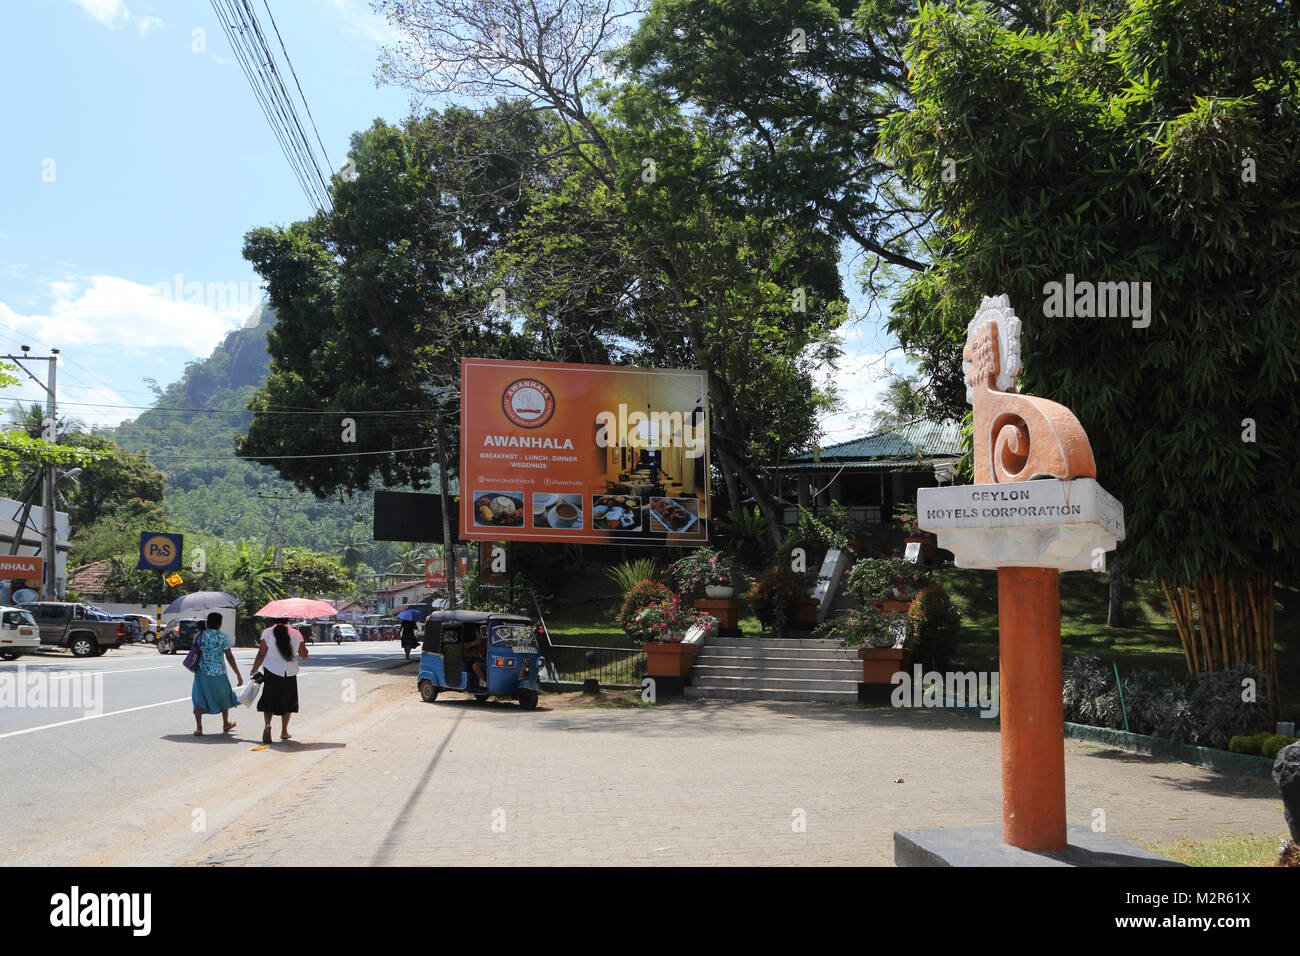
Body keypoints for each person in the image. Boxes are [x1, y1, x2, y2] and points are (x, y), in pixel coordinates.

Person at [252, 617, 308, 744]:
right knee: (288, 699)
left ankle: (267, 725)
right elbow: (304, 655)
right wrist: (301, 641)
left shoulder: (266, 632)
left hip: (271, 670)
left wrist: (254, 668)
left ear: (273, 618)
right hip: (290, 671)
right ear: (288, 619)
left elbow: (261, 653)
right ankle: (284, 731)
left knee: (269, 697)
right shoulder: (296, 633)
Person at [191, 611, 242, 736]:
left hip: (202, 672)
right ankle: (225, 723)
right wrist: (238, 674)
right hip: (219, 672)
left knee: (199, 698)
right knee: (224, 696)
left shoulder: (198, 636)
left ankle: (199, 728)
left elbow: (195, 653)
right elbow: (229, 656)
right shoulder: (223, 637)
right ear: (220, 623)